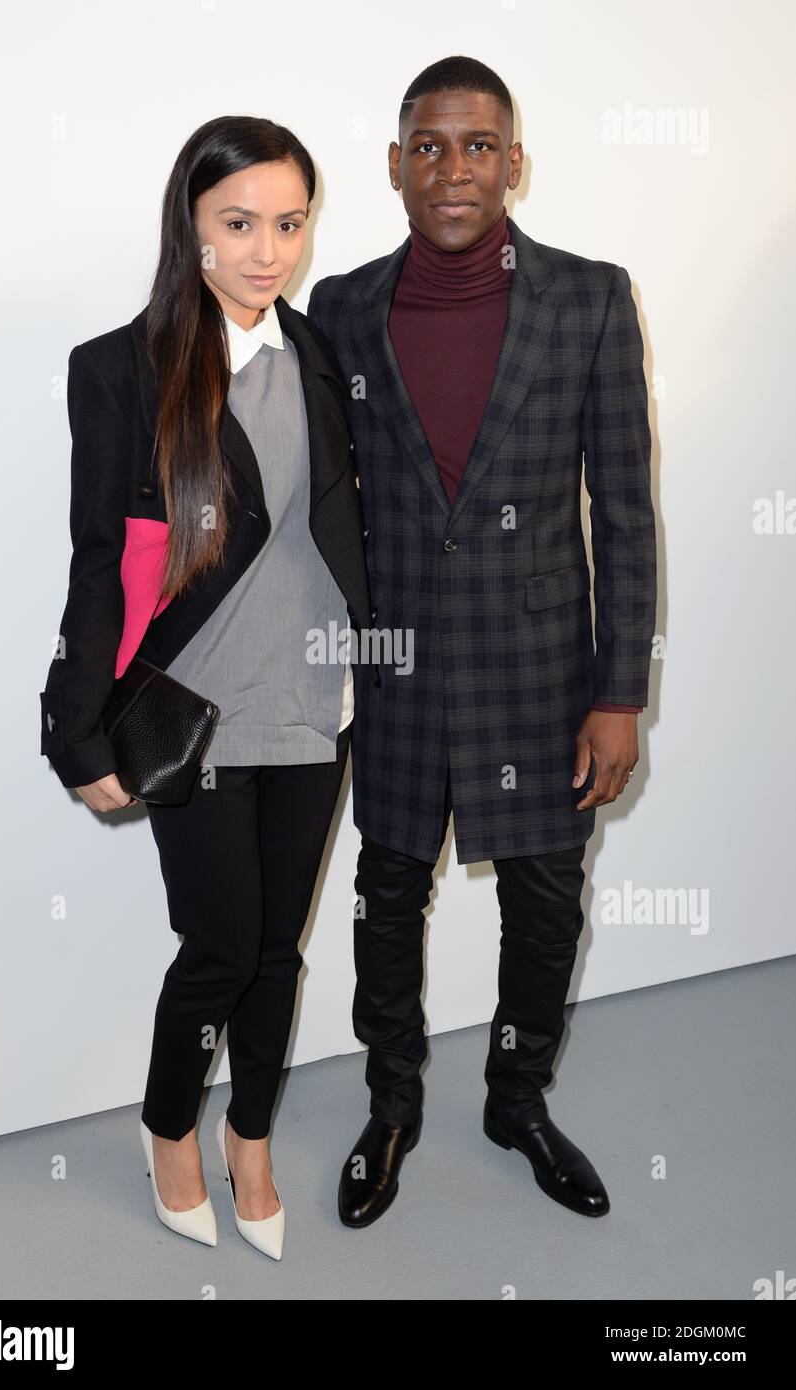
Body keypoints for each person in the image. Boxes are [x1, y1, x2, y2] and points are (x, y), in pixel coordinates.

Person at [307, 55, 657, 1226]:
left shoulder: (591, 297)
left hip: (543, 672)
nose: (452, 166)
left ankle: (517, 1097)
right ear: (396, 165)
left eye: (476, 144)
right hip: (398, 667)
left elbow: (624, 507)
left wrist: (623, 692)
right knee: (387, 892)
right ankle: (391, 1101)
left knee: (546, 903)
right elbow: (327, 502)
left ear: (513, 161)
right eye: (428, 144)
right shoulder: (344, 309)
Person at [39, 115, 372, 1258]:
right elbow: (102, 563)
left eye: (288, 223)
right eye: (239, 224)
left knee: (281, 949)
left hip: (316, 701)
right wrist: (76, 730)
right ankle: (169, 1128)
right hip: (196, 717)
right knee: (222, 946)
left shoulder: (322, 355)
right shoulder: (121, 372)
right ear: (192, 226)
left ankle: (255, 1139)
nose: (267, 251)